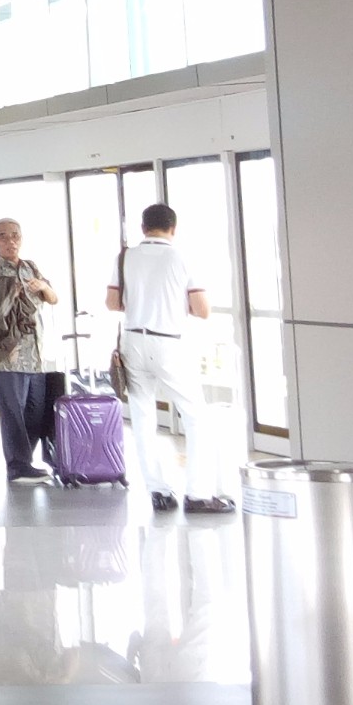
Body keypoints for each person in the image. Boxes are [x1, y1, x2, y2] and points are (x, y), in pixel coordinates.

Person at [107, 202, 236, 514]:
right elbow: (201, 310)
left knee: (142, 416)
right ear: (173, 229)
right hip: (169, 343)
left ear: (143, 228)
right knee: (195, 417)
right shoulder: (181, 256)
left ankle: (159, 492)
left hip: (133, 341)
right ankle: (199, 494)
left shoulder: (125, 256)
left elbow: (112, 303)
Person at [0, 217, 59, 483]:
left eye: (15, 236)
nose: (11, 241)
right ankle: (18, 466)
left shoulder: (31, 268)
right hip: (7, 355)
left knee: (35, 410)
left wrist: (42, 287)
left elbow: (54, 298)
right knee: (12, 411)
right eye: (4, 236)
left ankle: (28, 461)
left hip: (35, 355)